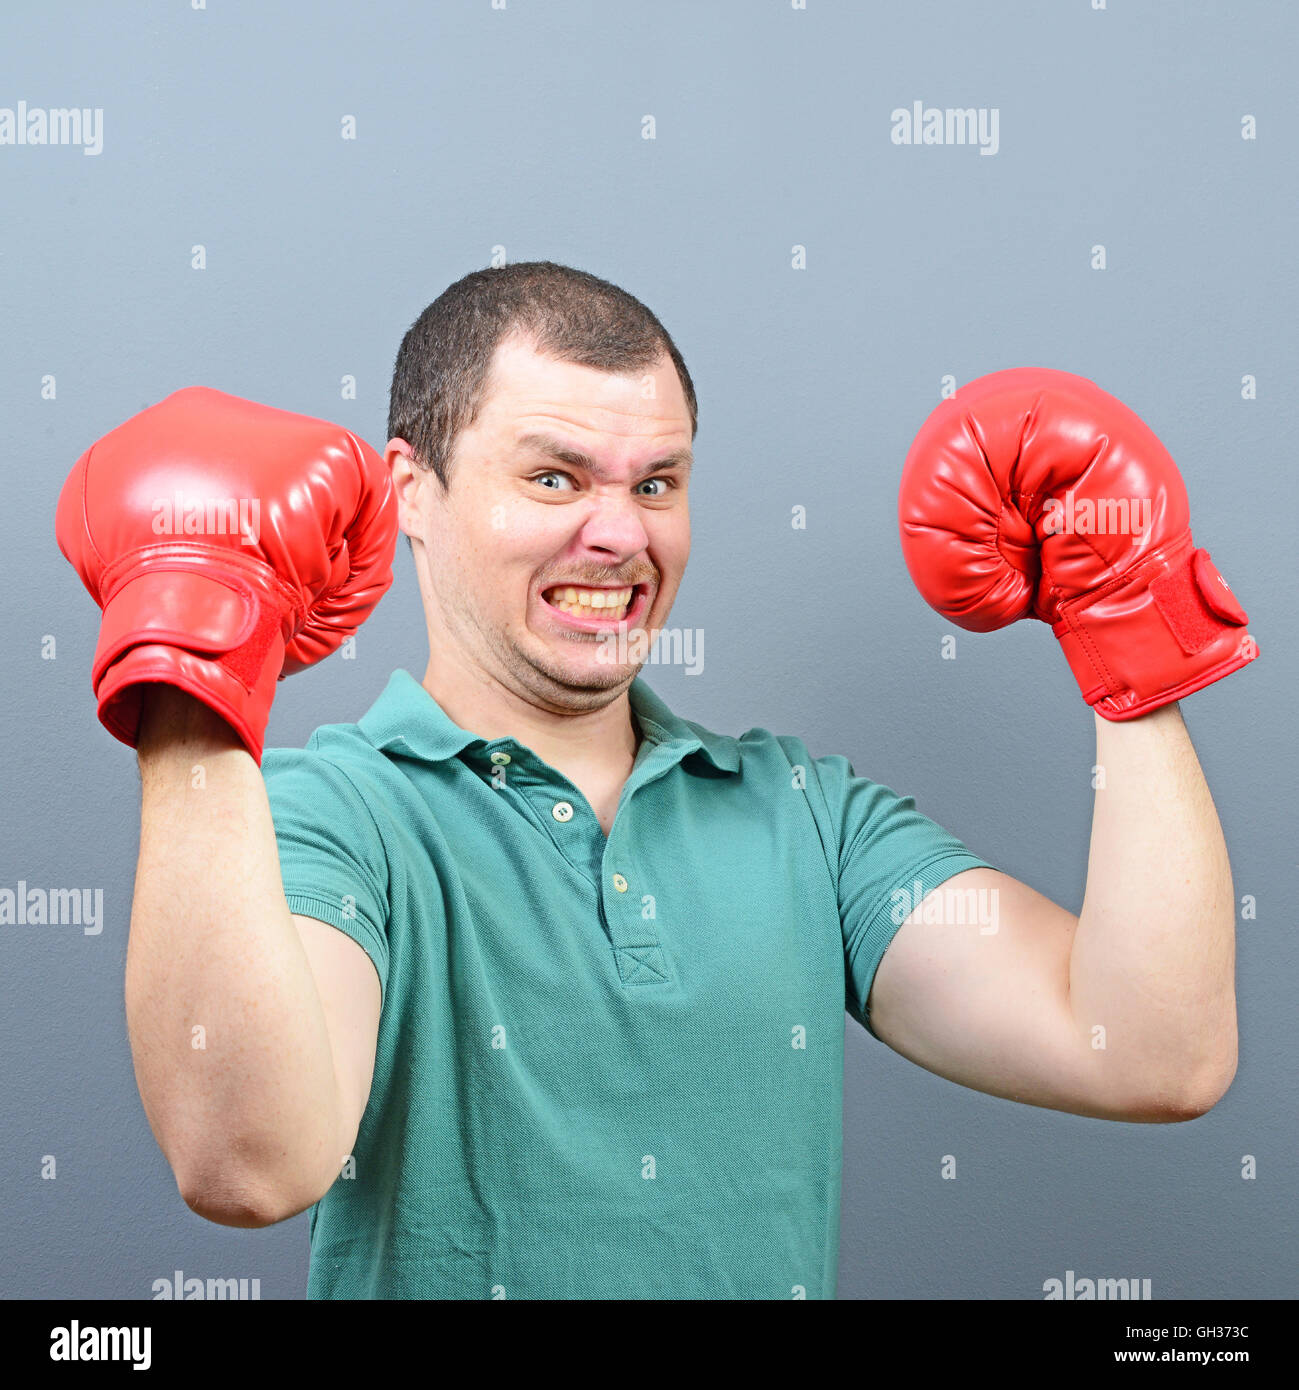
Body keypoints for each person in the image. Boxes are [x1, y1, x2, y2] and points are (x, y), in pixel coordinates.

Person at [56, 261, 1254, 1299]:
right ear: (410, 492)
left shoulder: (800, 815)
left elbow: (1152, 1053)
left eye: (657, 483)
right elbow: (250, 1164)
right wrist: (192, 693)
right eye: (556, 478)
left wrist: (1129, 629)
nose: (621, 534)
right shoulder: (337, 813)